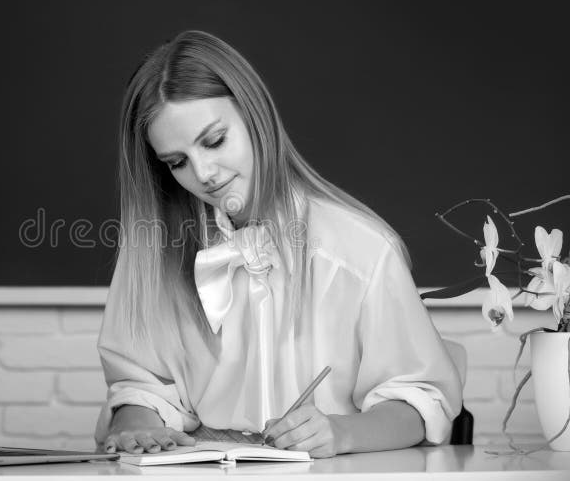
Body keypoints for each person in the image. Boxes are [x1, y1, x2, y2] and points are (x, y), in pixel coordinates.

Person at [95, 30, 462, 458]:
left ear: (255, 116)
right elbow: (139, 385)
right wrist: (136, 423)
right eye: (177, 162)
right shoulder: (151, 253)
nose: (204, 173)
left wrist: (341, 433)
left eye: (214, 141)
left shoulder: (362, 251)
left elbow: (420, 401)